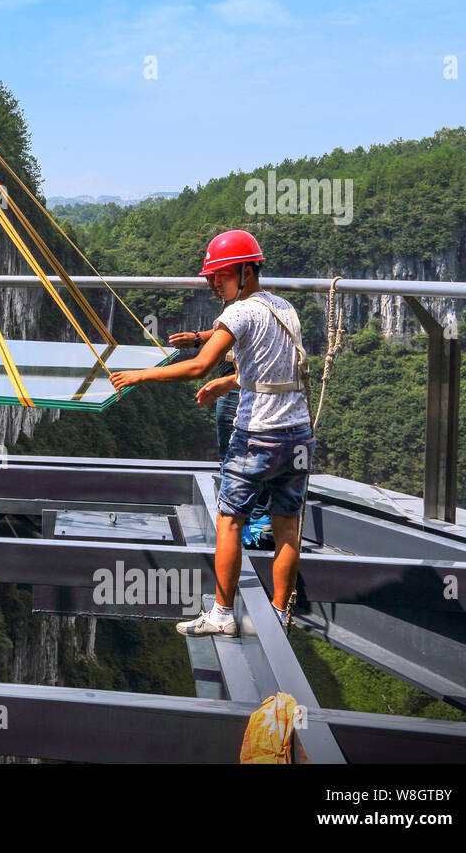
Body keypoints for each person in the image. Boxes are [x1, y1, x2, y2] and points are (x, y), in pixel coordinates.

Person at [109, 230, 313, 635]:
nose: (213, 284)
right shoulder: (285, 308)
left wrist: (140, 376)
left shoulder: (239, 313)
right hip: (298, 434)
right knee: (287, 526)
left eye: (219, 276)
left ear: (245, 271)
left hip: (257, 435)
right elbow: (271, 367)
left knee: (230, 521)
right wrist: (225, 377)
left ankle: (221, 615)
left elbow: (200, 366)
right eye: (211, 277)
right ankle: (279, 614)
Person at [167, 336, 272, 545]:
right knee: (230, 457)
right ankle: (242, 520)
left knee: (260, 454)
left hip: (258, 390)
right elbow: (226, 329)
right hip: (231, 389)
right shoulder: (232, 316)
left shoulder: (258, 314)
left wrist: (140, 376)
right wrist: (199, 338)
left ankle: (258, 518)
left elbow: (199, 367)